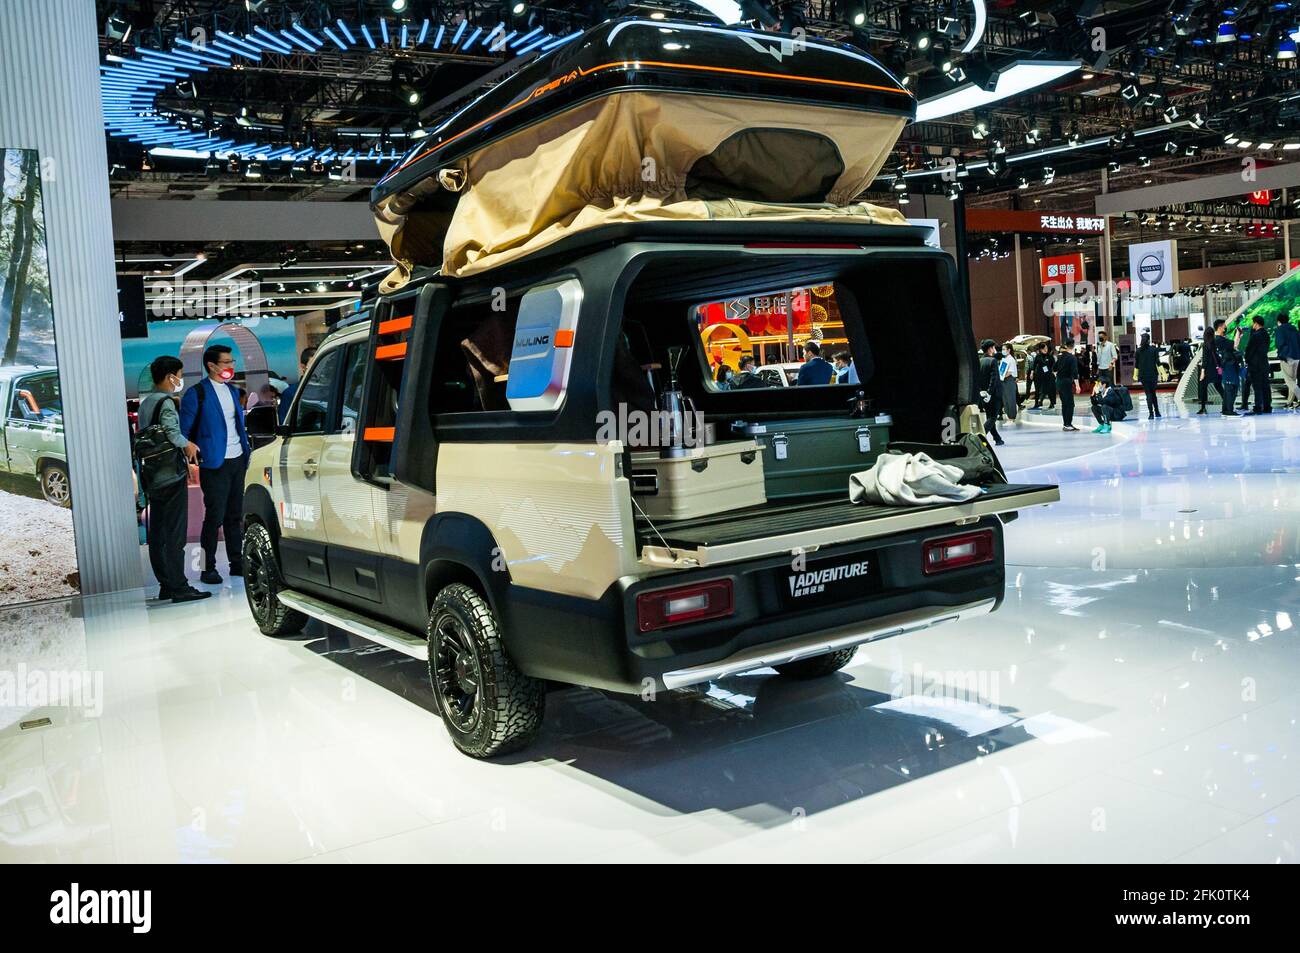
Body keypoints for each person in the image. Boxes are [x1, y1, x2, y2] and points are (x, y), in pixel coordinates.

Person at [138, 357, 211, 604]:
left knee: (158, 532)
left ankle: (166, 585)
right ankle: (180, 586)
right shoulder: (167, 402)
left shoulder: (146, 403)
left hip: (153, 476)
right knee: (175, 533)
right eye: (179, 374)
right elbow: (172, 432)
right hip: (171, 474)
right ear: (170, 377)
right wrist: (188, 444)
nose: (180, 379)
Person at [179, 344, 251, 585]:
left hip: (237, 460)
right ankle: (205, 568)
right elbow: (183, 432)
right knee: (213, 517)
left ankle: (237, 563)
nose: (232, 365)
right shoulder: (196, 393)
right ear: (212, 365)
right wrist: (191, 459)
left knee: (234, 516)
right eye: (227, 362)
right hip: (213, 464)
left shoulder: (233, 392)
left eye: (232, 361)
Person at [278, 346, 317, 423]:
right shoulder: (291, 393)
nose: (318, 368)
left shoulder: (332, 389)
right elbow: (285, 424)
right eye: (314, 365)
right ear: (303, 367)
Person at [977, 339, 1004, 446]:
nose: (995, 349)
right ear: (990, 348)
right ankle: (980, 437)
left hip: (983, 394)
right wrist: (989, 392)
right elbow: (994, 379)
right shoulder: (992, 361)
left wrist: (981, 391)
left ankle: (997, 439)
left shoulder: (979, 361)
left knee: (990, 417)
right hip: (993, 394)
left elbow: (977, 378)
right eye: (993, 347)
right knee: (993, 417)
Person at [1244, 315, 1273, 414]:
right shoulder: (1266, 334)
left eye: (1253, 323)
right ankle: (1267, 406)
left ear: (1256, 323)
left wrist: (1247, 360)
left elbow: (1249, 350)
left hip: (1255, 365)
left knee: (1257, 387)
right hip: (1264, 363)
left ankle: (1258, 407)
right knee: (1265, 386)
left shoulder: (1255, 336)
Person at [1197, 323, 1224, 414]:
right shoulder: (1216, 342)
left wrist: (1202, 371)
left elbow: (1205, 359)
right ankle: (1227, 405)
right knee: (1219, 386)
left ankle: (1203, 407)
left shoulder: (1205, 345)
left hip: (1208, 369)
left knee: (1203, 387)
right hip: (1216, 368)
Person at [1275, 313, 1300, 409]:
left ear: (1279, 321)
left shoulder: (1280, 330)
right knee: (1292, 380)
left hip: (1287, 357)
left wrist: (1282, 355)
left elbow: (1280, 343)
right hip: (1297, 357)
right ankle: (1289, 402)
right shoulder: (1294, 329)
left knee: (1289, 380)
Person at [1054, 343, 1080, 431]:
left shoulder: (1060, 357)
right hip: (1066, 382)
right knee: (1070, 404)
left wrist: (1057, 377)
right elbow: (1075, 372)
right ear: (1072, 347)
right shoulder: (1072, 358)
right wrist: (1077, 386)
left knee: (1064, 404)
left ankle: (1066, 424)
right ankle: (1068, 424)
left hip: (1059, 382)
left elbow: (1054, 368)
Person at [1135, 333, 1161, 419]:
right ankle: (1157, 412)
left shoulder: (1138, 351)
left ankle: (1151, 414)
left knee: (1148, 394)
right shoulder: (1154, 349)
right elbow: (1158, 362)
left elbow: (1137, 365)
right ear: (1149, 340)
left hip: (1143, 375)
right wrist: (1163, 373)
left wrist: (1135, 375)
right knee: (1153, 393)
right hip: (1153, 374)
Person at [1220, 331, 1243, 417]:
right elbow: (1235, 345)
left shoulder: (1225, 348)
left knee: (1228, 390)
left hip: (1228, 370)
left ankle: (1226, 409)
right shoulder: (1228, 348)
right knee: (1231, 390)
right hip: (1231, 370)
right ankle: (1229, 410)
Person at [1032, 342, 1056, 410]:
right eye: (1043, 348)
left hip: (1048, 375)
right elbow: (1034, 366)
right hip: (1039, 375)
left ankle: (1052, 403)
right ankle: (1036, 403)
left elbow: (1054, 366)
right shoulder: (1038, 356)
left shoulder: (1050, 356)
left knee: (1049, 390)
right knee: (1037, 390)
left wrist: (1054, 373)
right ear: (1040, 349)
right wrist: (1032, 373)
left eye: (1046, 348)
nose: (1045, 350)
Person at [998, 344, 1019, 422]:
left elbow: (1010, 372)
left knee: (1010, 399)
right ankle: (1008, 417)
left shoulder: (1011, 359)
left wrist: (1002, 376)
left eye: (1004, 349)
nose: (1003, 351)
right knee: (1005, 399)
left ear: (1009, 350)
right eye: (1002, 349)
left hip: (1009, 380)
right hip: (1003, 380)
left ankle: (1012, 417)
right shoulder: (1004, 359)